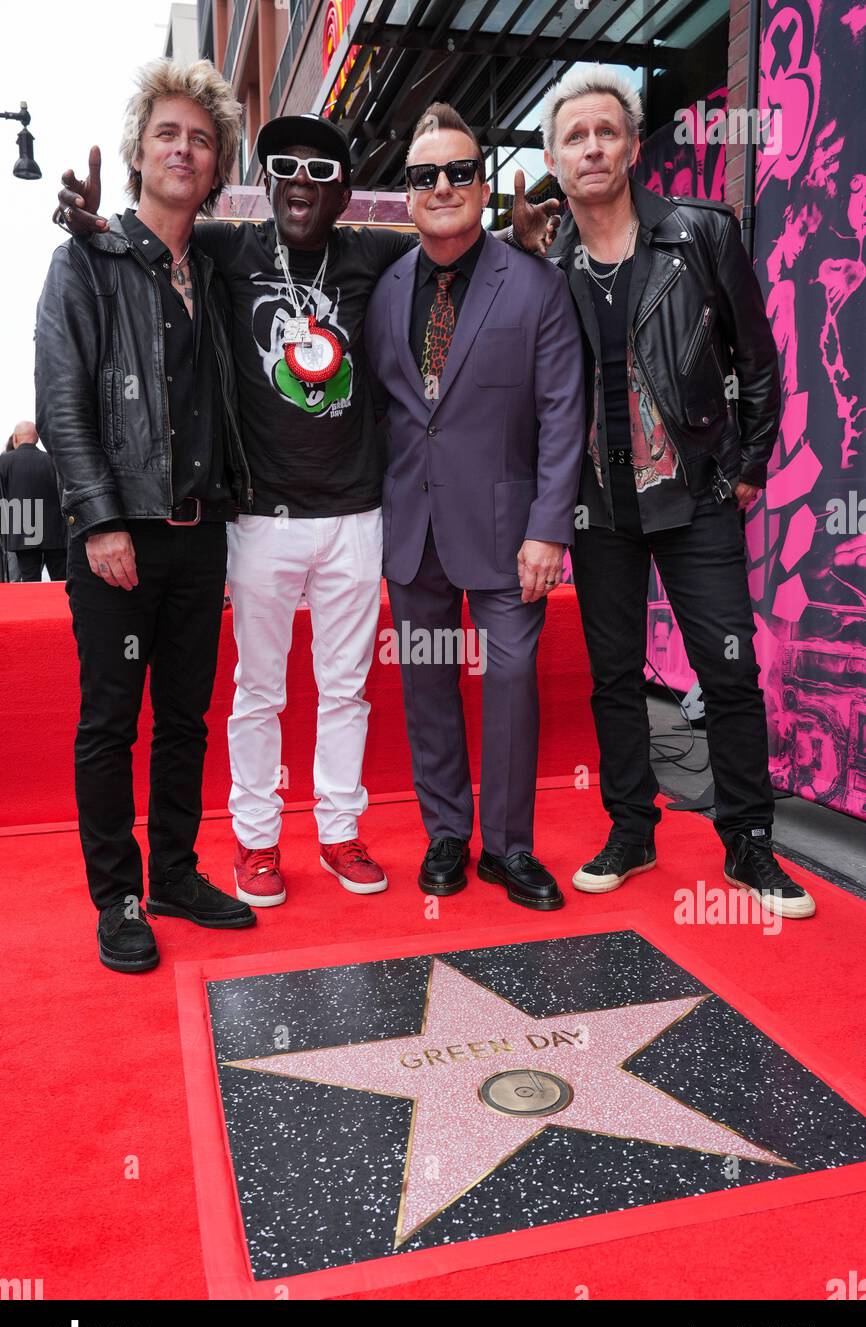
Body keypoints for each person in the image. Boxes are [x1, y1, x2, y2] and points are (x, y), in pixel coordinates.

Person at [57, 114, 558, 909]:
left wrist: (518, 236)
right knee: (258, 691)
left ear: (345, 193)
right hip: (260, 517)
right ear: (264, 180)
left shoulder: (375, 252)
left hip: (359, 518)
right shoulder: (230, 247)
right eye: (283, 165)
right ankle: (256, 844)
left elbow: (450, 238)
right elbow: (160, 229)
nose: (301, 181)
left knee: (346, 689)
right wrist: (95, 228)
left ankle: (338, 831)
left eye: (321, 171)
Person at [541, 65, 814, 918]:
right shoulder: (545, 272)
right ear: (553, 159)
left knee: (728, 674)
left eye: (606, 131)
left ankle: (749, 843)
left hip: (695, 495)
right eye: (574, 136)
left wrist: (745, 471)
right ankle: (632, 828)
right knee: (614, 679)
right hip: (599, 508)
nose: (592, 147)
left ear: (631, 146)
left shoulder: (700, 234)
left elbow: (758, 363)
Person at [36, 59, 257, 974]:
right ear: (138, 151)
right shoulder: (84, 258)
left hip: (202, 535)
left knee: (187, 720)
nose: (183, 148)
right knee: (109, 723)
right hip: (120, 533)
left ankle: (173, 872)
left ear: (215, 170)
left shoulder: (213, 269)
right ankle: (117, 897)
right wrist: (98, 520)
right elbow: (61, 400)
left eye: (201, 140)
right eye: (168, 133)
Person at [365, 104, 584, 911]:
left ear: (483, 184)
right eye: (426, 176)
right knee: (426, 685)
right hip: (411, 531)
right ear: (409, 193)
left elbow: (565, 412)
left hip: (508, 532)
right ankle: (447, 834)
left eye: (460, 171)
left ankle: (511, 846)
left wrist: (548, 529)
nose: (444, 186)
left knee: (513, 680)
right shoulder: (385, 289)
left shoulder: (534, 283)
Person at [0, 423, 67, 580]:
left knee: (29, 580)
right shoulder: (53, 461)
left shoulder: (3, 462)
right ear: (37, 439)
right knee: (61, 580)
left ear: (15, 438)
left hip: (21, 531)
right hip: (55, 533)